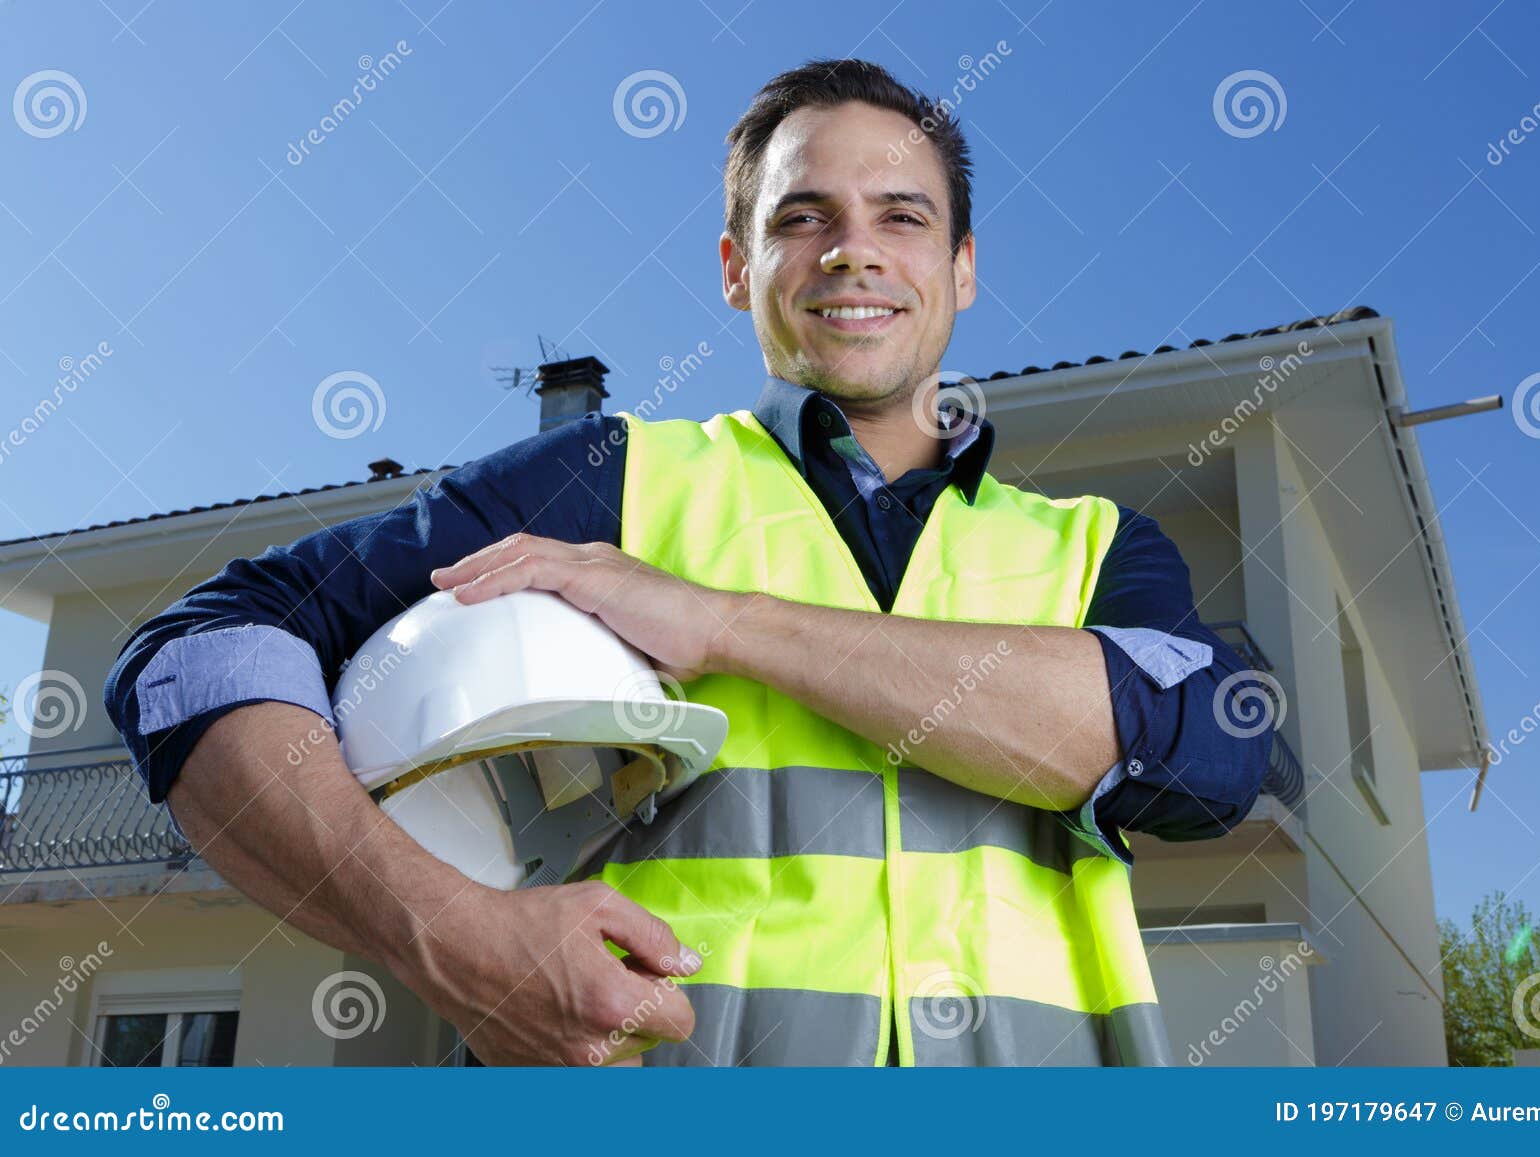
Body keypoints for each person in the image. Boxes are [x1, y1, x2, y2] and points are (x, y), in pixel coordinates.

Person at [105, 58, 1271, 1066]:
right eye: (801, 217)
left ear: (963, 267)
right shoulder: (604, 483)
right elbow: (196, 654)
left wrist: (725, 625)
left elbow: (1206, 753)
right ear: (734, 265)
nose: (851, 254)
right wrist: (445, 930)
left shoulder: (1096, 546)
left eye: (902, 217)